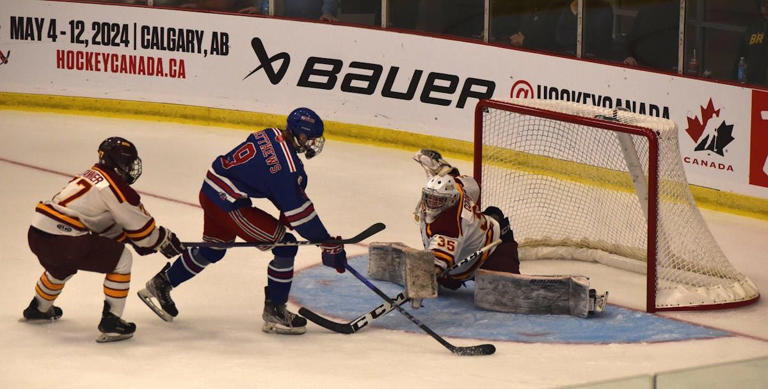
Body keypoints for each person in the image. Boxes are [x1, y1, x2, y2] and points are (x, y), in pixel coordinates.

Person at [138, 107, 347, 335]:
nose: (312, 145)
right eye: (312, 139)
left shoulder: (270, 134)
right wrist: (325, 241)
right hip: (228, 203)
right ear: (302, 135)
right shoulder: (287, 169)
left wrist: (291, 207)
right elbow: (301, 216)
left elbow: (270, 183)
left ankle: (162, 283)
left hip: (211, 189)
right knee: (285, 246)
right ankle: (275, 312)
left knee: (214, 249)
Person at [22, 137, 184, 342]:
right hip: (66, 240)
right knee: (122, 260)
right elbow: (142, 231)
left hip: (38, 234)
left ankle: (39, 307)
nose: (130, 168)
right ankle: (111, 321)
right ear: (119, 162)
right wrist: (161, 239)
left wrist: (134, 239)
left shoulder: (91, 175)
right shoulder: (116, 187)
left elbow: (100, 224)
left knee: (60, 266)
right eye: (128, 163)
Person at [411, 150, 520, 291]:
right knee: (446, 281)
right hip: (464, 255)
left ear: (451, 200)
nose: (432, 203)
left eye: (438, 200)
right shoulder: (457, 190)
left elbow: (436, 262)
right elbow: (473, 186)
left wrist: (421, 282)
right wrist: (447, 172)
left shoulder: (450, 227)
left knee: (508, 293)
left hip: (493, 251)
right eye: (430, 197)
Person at [621, 0, 679, 72]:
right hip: (640, 67)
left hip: (664, 71)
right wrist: (628, 56)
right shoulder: (646, 9)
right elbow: (630, 39)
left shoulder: (678, 10)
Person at [735, 0, 768, 85]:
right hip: (752, 80)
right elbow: (742, 53)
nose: (765, 6)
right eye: (763, 3)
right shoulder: (753, 27)